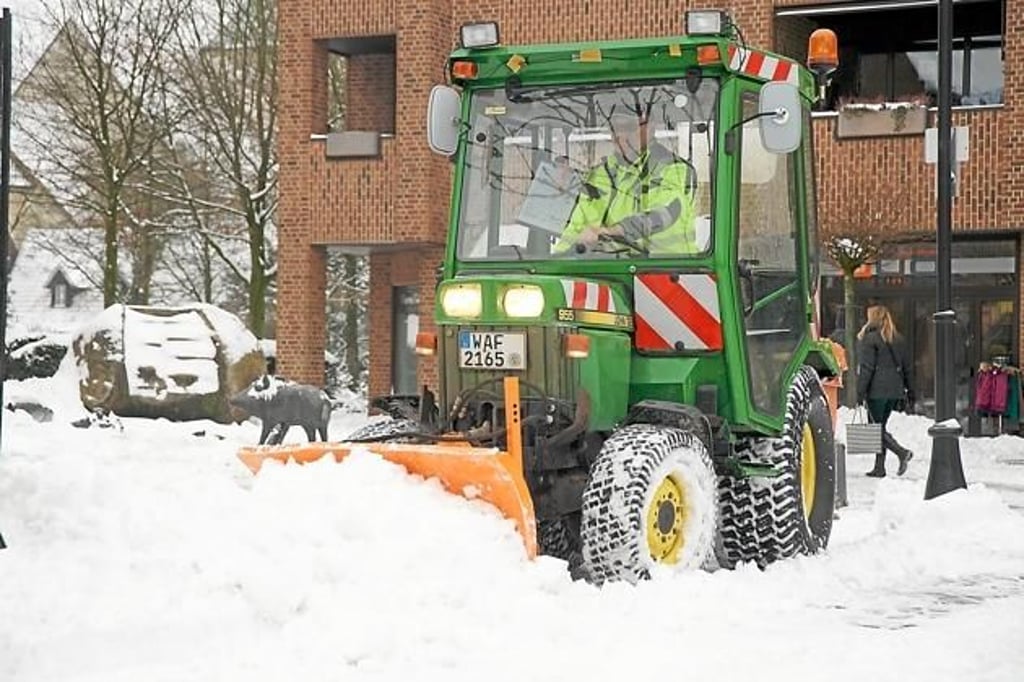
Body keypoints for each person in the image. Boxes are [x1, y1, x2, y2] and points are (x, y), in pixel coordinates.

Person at [553, 110, 698, 255]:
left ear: (650, 128)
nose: (618, 135)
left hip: (667, 270)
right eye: (613, 127)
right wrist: (558, 261)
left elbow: (665, 212)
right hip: (609, 270)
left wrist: (613, 232)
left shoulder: (673, 169)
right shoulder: (598, 176)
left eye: (629, 127)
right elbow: (574, 229)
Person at [856, 303, 915, 477]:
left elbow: (867, 368)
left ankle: (902, 452)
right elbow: (907, 368)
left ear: (872, 318)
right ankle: (879, 467)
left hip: (877, 390)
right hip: (894, 390)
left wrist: (860, 392)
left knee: (875, 429)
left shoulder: (870, 339)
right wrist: (911, 391)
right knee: (879, 428)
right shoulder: (898, 339)